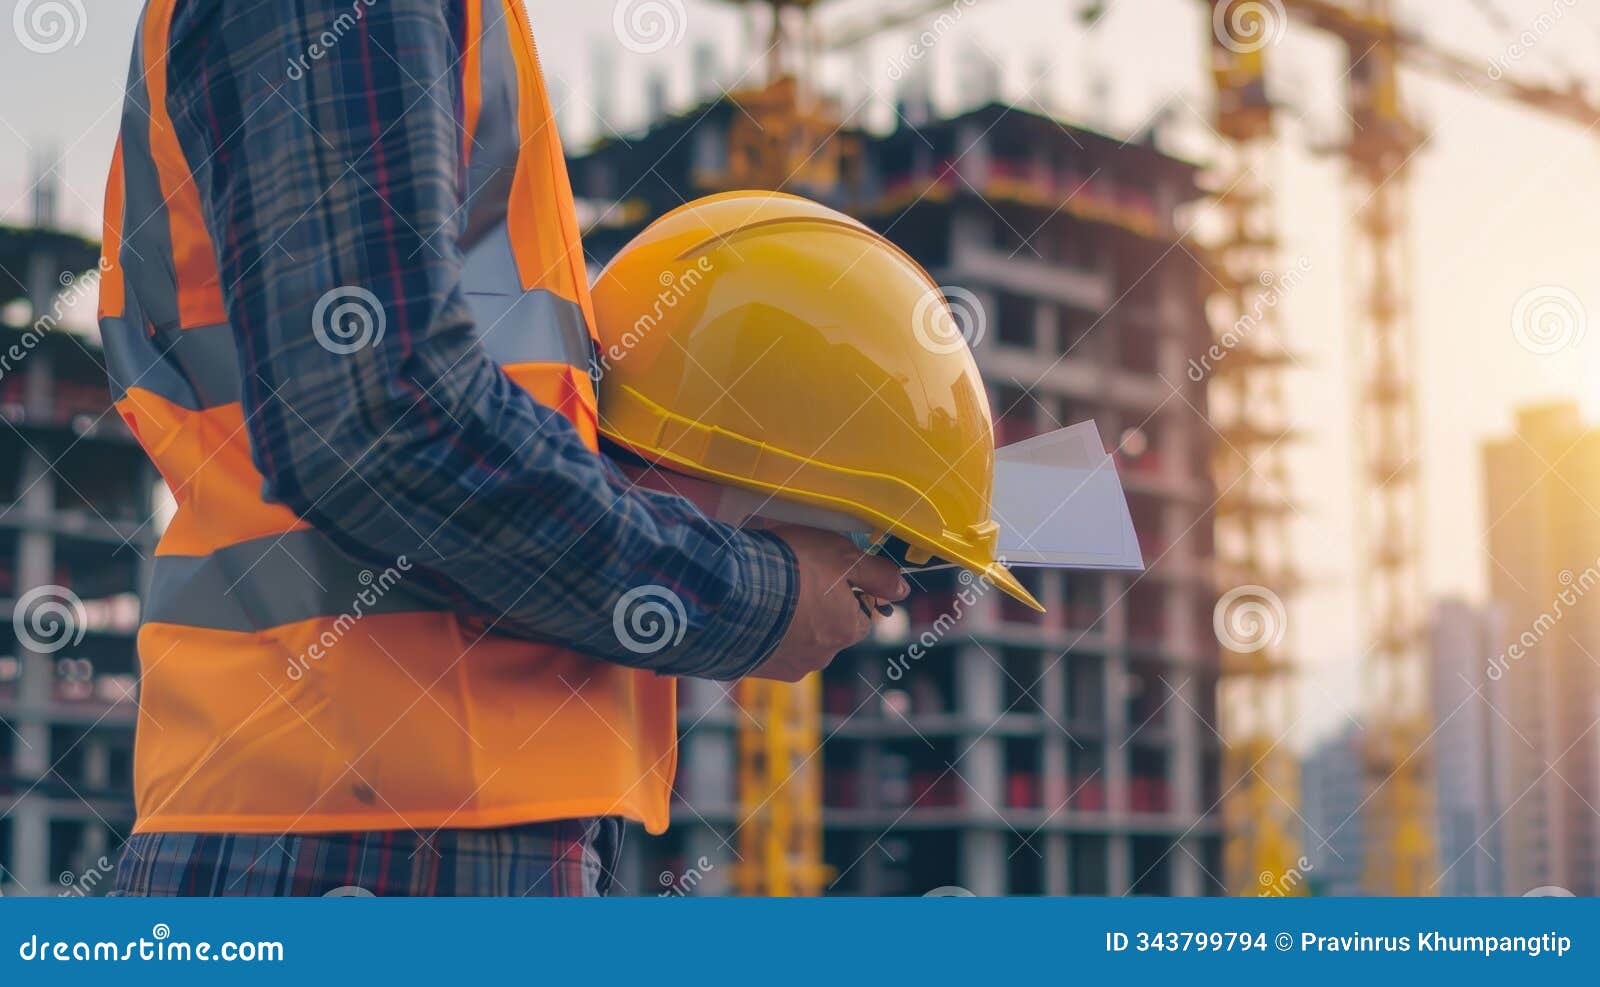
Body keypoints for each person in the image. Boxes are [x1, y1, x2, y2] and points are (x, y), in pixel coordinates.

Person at [98, 0, 904, 898]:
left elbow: (400, 402)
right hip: (376, 832)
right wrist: (750, 596)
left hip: (381, 816)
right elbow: (381, 419)